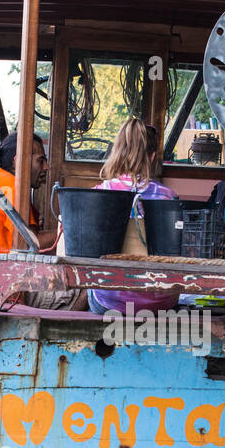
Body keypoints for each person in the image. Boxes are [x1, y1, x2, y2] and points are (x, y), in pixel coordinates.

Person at [0, 131, 77, 308]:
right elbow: (34, 243)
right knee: (91, 291)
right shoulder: (10, 186)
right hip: (0, 296)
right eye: (41, 160)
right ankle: (58, 335)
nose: (47, 167)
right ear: (19, 162)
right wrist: (75, 231)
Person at [88, 119, 180, 315]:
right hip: (160, 302)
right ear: (153, 156)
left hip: (110, 302)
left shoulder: (101, 193)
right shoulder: (167, 197)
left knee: (93, 290)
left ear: (116, 153)